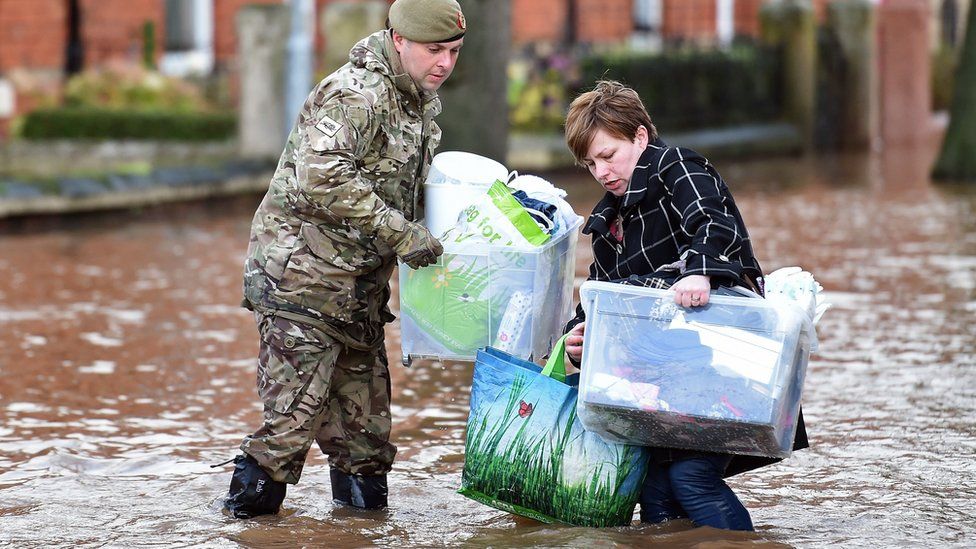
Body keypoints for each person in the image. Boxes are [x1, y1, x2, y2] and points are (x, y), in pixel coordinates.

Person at [222, 0, 466, 519]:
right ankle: (242, 529)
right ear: (399, 39)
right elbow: (322, 176)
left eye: (453, 51)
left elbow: (405, 188)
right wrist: (403, 234)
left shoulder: (417, 101)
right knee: (286, 436)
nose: (444, 63)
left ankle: (358, 531)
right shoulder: (357, 93)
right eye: (433, 50)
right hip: (302, 283)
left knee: (366, 445)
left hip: (358, 293)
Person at [561, 80, 808, 531]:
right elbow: (601, 297)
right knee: (654, 489)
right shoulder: (608, 222)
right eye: (591, 162)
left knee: (692, 477)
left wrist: (700, 269)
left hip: (724, 368)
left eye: (609, 154)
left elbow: (717, 223)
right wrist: (576, 338)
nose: (601, 171)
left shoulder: (677, 166)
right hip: (661, 385)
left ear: (640, 136)